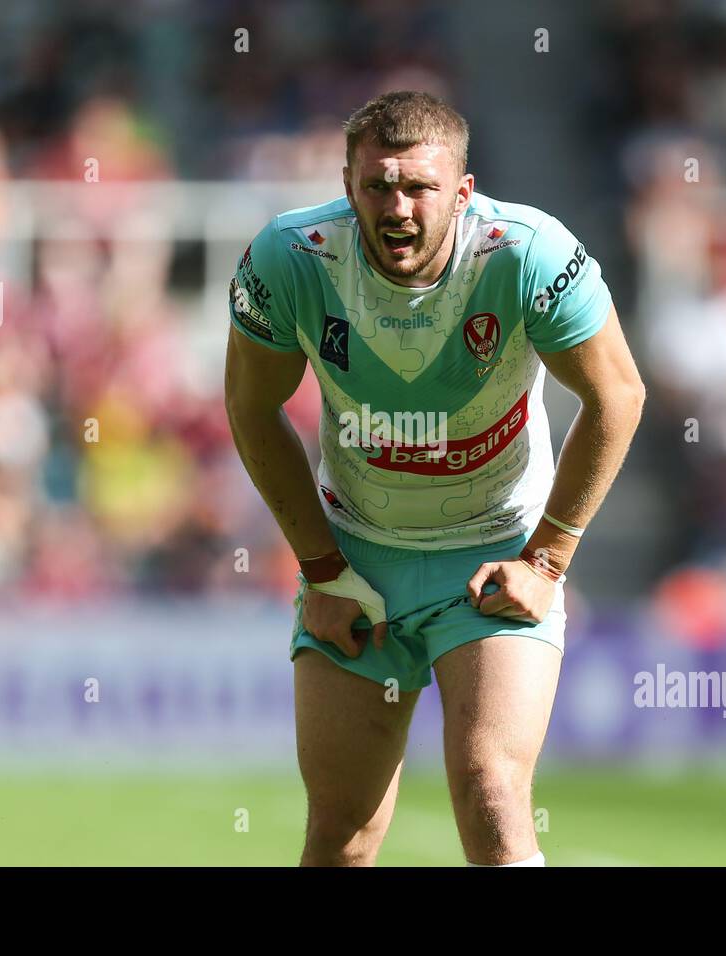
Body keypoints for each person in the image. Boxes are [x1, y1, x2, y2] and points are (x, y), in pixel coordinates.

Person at [224, 90, 646, 866]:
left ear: (463, 192)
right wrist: (320, 570)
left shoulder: (529, 254)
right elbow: (252, 409)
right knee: (341, 836)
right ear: (348, 188)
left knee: (490, 790)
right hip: (357, 558)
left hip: (494, 556)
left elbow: (618, 394)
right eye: (378, 186)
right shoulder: (291, 258)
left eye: (418, 187)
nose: (398, 207)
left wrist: (548, 560)